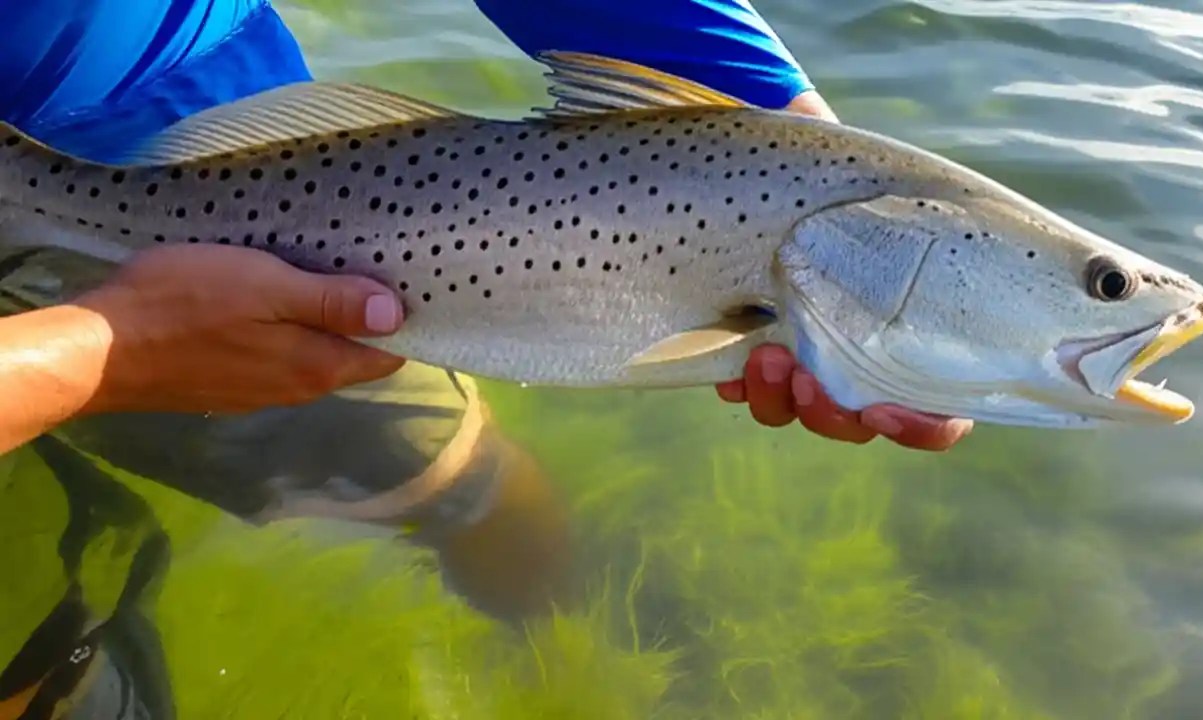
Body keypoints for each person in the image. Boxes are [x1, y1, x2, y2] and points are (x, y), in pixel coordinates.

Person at [0, 1, 972, 717]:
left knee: (454, 475)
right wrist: (96, 356)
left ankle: (598, 664)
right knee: (40, 659)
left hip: (214, 131)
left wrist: (783, 146)